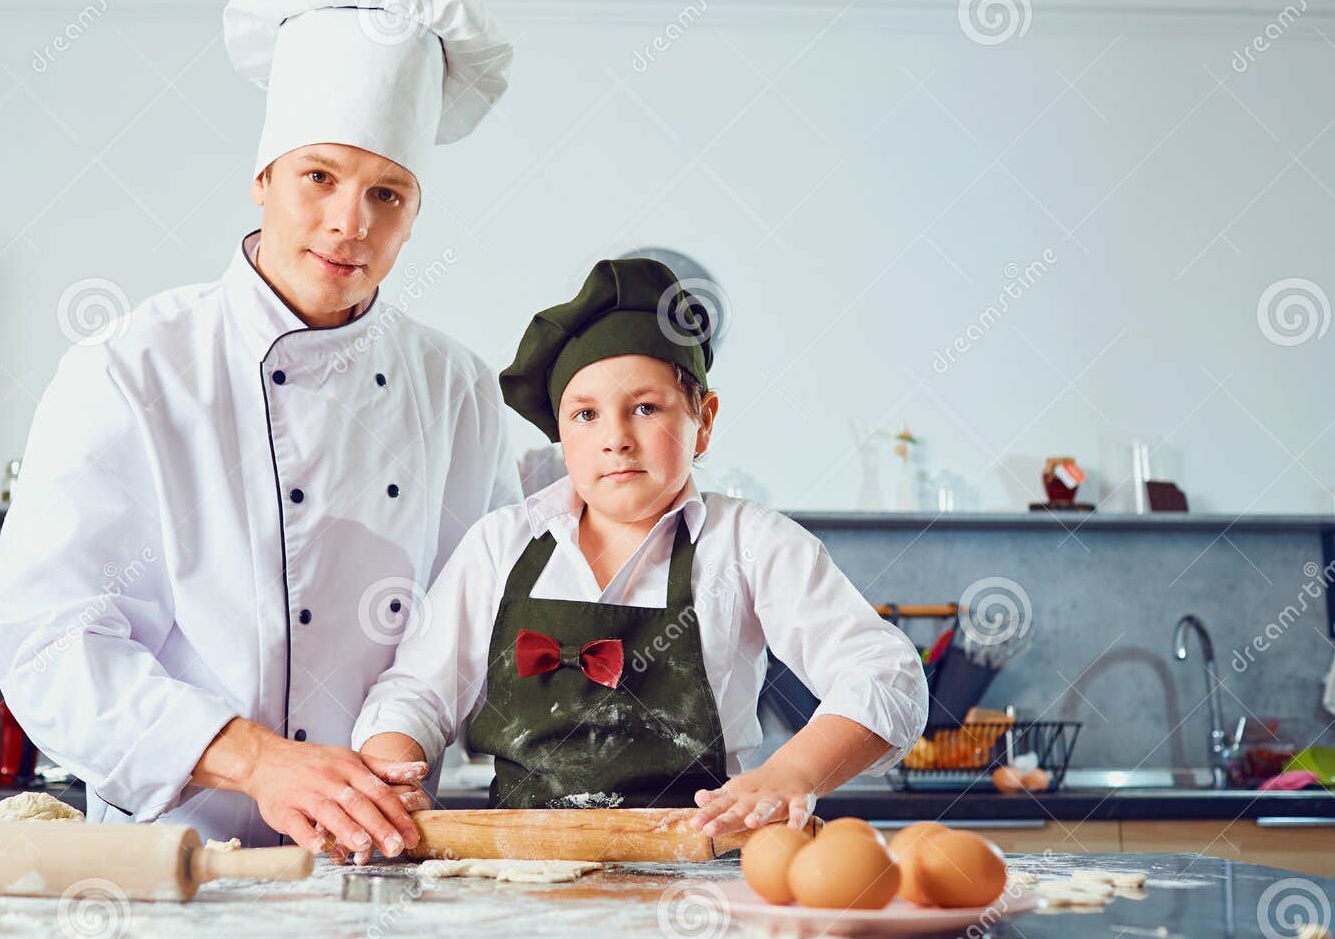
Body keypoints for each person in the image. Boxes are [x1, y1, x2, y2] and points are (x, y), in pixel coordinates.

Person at [0, 0, 518, 855]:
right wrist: (258, 761)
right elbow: (48, 639)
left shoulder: (459, 389)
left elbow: (487, 626)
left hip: (385, 856)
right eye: (321, 177)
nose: (351, 222)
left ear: (415, 212)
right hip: (173, 861)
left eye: (388, 193)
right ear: (264, 179)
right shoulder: (132, 368)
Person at [352, 258, 928, 833]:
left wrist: (793, 772)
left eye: (645, 409)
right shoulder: (501, 544)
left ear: (704, 420)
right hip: (525, 879)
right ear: (560, 431)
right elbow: (417, 693)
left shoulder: (752, 544)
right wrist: (387, 775)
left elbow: (885, 674)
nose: (616, 440)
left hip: (698, 878)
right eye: (585, 415)